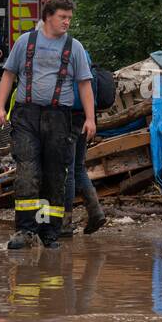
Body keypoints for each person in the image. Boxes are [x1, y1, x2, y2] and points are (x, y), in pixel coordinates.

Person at [0, 0, 95, 251]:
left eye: (69, 18)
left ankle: (50, 233)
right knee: (27, 173)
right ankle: (25, 231)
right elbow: (8, 75)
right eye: (63, 17)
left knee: (54, 176)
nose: (67, 22)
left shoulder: (75, 48)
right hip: (26, 116)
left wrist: (91, 119)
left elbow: (85, 84)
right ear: (48, 16)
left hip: (59, 118)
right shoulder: (25, 42)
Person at [62, 45, 107, 237]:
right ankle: (96, 212)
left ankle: (65, 222)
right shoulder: (81, 51)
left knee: (68, 169)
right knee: (78, 167)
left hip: (68, 115)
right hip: (85, 115)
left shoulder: (60, 51)